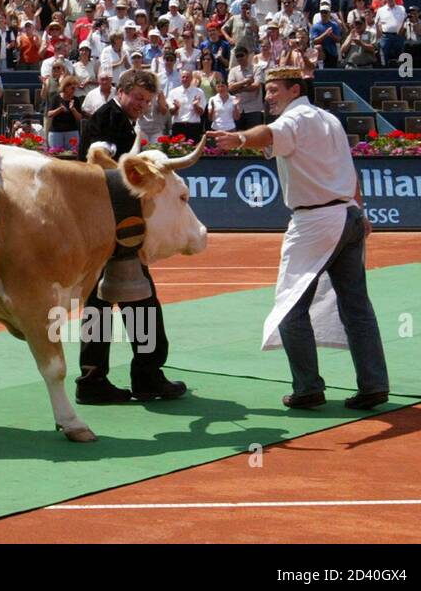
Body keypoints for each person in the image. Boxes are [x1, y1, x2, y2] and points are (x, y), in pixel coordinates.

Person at [209, 68, 389, 410]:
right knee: (357, 307)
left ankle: (308, 388)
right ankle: (374, 384)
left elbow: (267, 133)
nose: (268, 97)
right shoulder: (329, 119)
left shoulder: (297, 119)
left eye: (274, 90)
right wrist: (361, 211)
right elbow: (349, 170)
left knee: (290, 307)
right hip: (348, 216)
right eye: (267, 91)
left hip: (316, 221)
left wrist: (239, 139)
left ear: (295, 89)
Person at [75, 69, 187, 404]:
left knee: (99, 303)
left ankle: (93, 380)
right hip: (115, 228)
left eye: (147, 101)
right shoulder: (111, 119)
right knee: (141, 301)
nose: (141, 105)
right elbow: (104, 166)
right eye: (137, 98)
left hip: (96, 227)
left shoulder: (118, 120)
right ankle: (147, 377)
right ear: (121, 92)